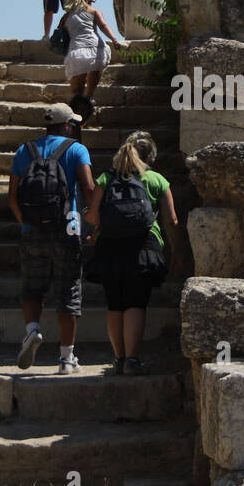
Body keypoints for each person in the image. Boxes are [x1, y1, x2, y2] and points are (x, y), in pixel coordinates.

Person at [8, 103, 97, 374]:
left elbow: (12, 196)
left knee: (33, 287)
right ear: (68, 125)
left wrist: (25, 222)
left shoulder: (25, 150)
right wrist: (93, 222)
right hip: (67, 228)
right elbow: (89, 188)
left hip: (32, 229)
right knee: (68, 289)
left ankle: (32, 331)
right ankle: (66, 359)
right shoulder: (76, 149)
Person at [87, 131, 183, 375]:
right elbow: (171, 220)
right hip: (144, 246)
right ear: (150, 157)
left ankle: (119, 358)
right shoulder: (156, 179)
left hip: (109, 247)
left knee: (115, 304)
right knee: (136, 303)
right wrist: (177, 250)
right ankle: (132, 360)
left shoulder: (106, 178)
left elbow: (93, 217)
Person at [61, 0, 127, 100]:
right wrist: (114, 39)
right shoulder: (93, 11)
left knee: (76, 92)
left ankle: (77, 110)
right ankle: (88, 100)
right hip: (95, 49)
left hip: (76, 52)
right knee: (89, 89)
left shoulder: (66, 16)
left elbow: (61, 34)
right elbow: (103, 26)